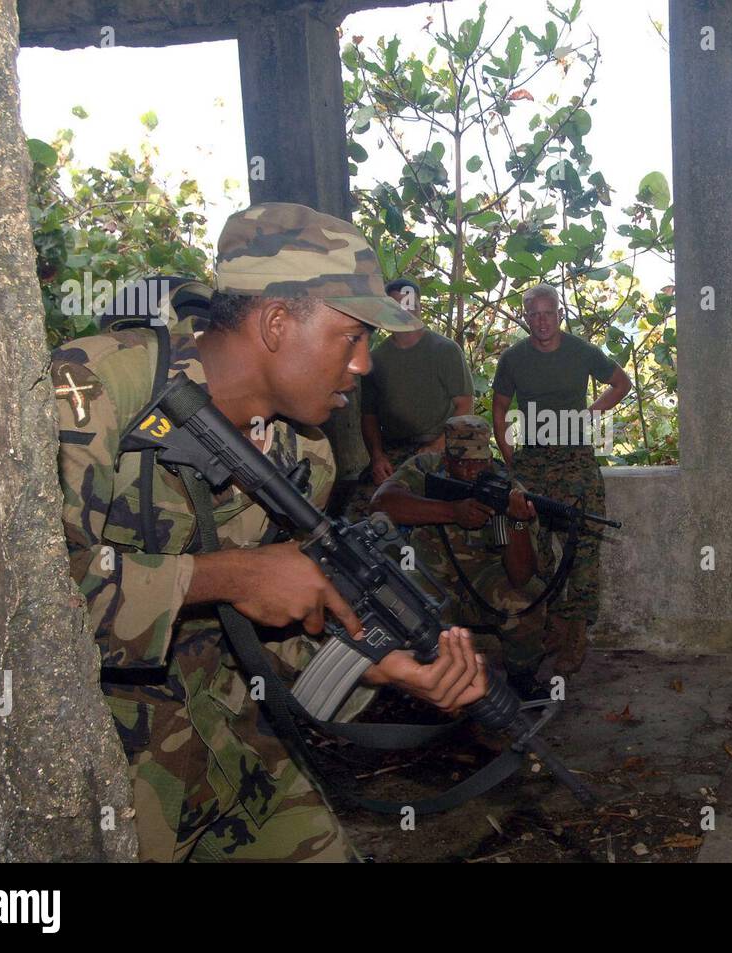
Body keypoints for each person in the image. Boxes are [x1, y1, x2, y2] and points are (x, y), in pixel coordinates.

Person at [52, 202, 487, 862]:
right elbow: (22, 613)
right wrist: (224, 575)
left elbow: (259, 637)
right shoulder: (93, 390)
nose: (365, 363)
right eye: (354, 335)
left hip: (224, 742)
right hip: (92, 762)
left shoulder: (302, 454)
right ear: (278, 322)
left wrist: (381, 665)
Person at [491, 283, 631, 675]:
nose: (541, 321)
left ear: (559, 314)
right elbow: (499, 408)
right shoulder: (513, 358)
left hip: (575, 458)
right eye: (533, 314)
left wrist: (593, 412)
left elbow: (621, 384)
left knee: (584, 542)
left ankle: (576, 634)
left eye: (547, 312)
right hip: (532, 461)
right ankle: (548, 625)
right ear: (525, 317)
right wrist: (509, 459)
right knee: (536, 547)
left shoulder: (581, 351)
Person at [371, 416, 550, 700]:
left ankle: (522, 678)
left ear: (489, 458)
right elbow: (383, 501)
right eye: (462, 462)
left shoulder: (507, 489)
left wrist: (516, 523)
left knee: (526, 602)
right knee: (404, 604)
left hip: (483, 579)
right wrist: (452, 511)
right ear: (446, 456)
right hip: (428, 575)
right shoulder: (425, 467)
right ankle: (417, 688)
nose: (470, 471)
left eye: (479, 463)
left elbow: (520, 576)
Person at [347, 278, 474, 521]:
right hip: (394, 451)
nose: (403, 310)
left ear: (419, 306)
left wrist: (436, 446)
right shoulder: (376, 359)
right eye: (396, 305)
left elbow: (464, 405)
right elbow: (369, 416)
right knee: (361, 512)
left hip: (440, 447)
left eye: (409, 303)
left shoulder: (445, 350)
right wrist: (377, 456)